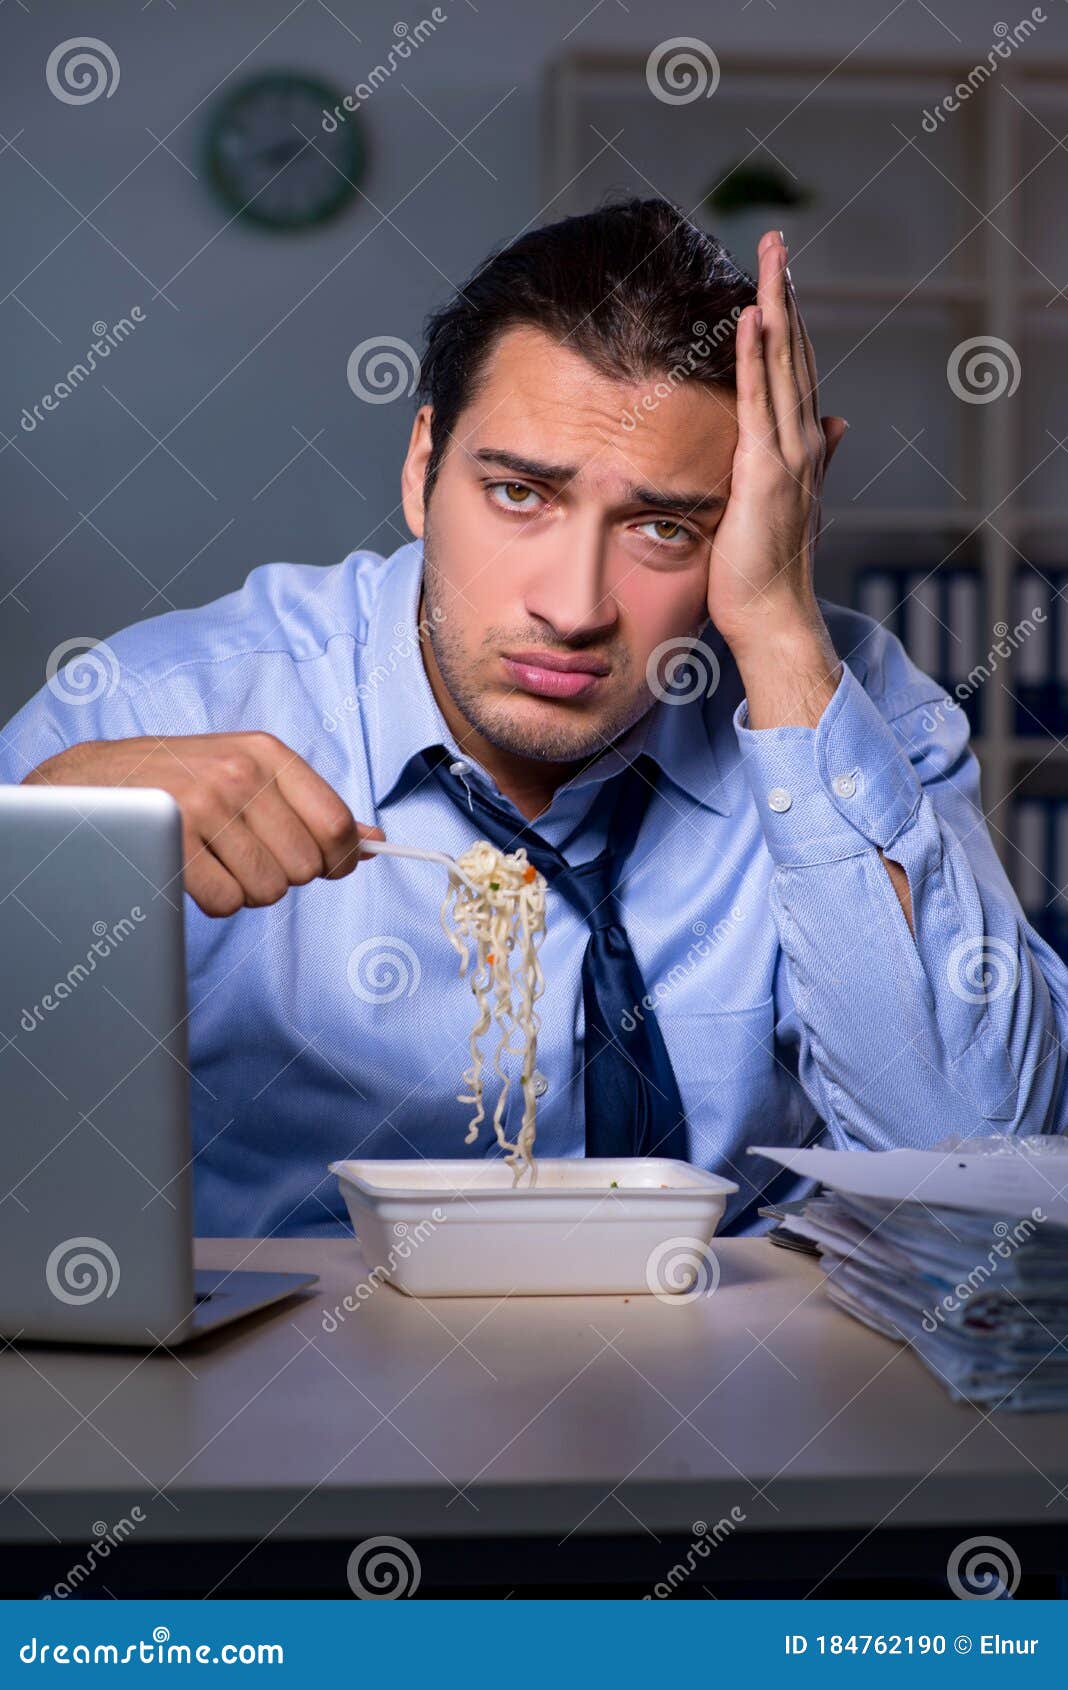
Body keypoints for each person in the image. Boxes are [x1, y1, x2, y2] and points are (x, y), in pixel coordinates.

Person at [3, 196, 1066, 1239]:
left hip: (739, 1392)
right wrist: (46, 854)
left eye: (663, 526)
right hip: (271, 1392)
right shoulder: (154, 713)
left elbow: (978, 1179)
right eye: (521, 495)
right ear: (424, 470)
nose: (573, 606)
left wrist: (781, 631)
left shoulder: (849, 706)